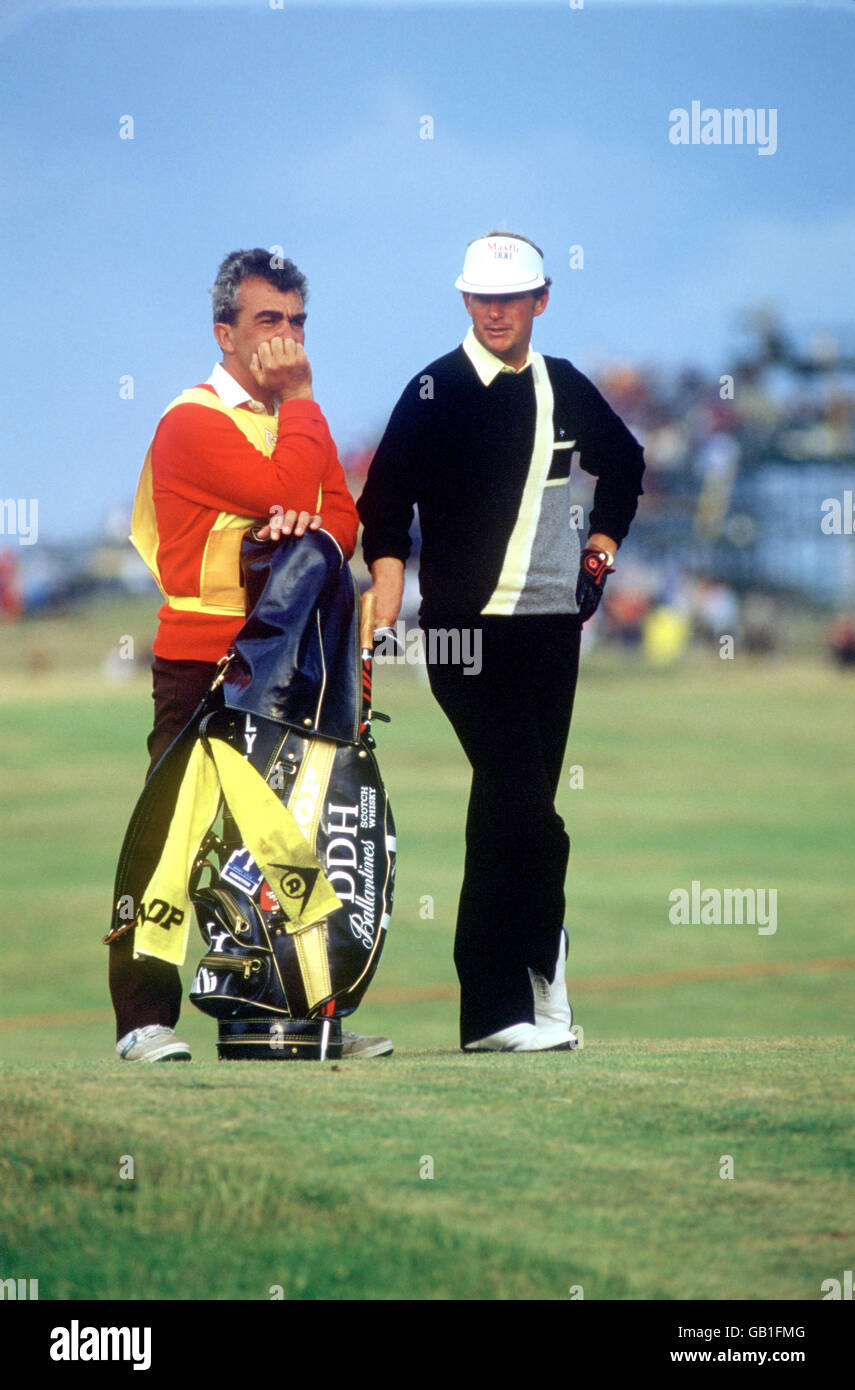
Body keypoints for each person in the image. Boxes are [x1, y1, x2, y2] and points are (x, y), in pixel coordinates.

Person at [358, 231, 645, 1052]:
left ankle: (511, 1008)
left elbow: (624, 462)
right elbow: (383, 504)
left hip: (552, 630)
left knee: (511, 814)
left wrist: (601, 549)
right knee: (525, 807)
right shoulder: (432, 390)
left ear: (539, 302)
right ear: (463, 302)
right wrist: (385, 584)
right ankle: (528, 987)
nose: (493, 312)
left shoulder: (565, 386)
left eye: (509, 298)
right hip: (459, 635)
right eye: (480, 298)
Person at [108, 248, 393, 1062]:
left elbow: (339, 519)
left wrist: (303, 515)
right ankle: (143, 1024)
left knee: (280, 841)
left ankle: (281, 1017)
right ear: (224, 333)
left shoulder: (290, 424)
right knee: (174, 840)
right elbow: (294, 493)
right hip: (205, 661)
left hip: (289, 663)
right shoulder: (192, 420)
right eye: (269, 321)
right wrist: (298, 446)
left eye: (298, 323)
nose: (288, 340)